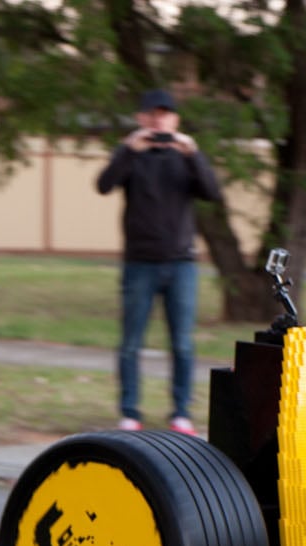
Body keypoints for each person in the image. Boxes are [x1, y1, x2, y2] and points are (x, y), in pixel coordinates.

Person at [96, 87, 223, 435]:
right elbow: (104, 185)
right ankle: (129, 412)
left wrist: (193, 152)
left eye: (165, 113)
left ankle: (181, 412)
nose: (158, 119)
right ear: (141, 118)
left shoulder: (186, 157)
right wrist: (127, 149)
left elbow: (212, 193)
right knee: (131, 342)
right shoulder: (132, 156)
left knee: (182, 343)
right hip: (140, 262)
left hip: (182, 264)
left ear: (175, 120)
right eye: (152, 113)